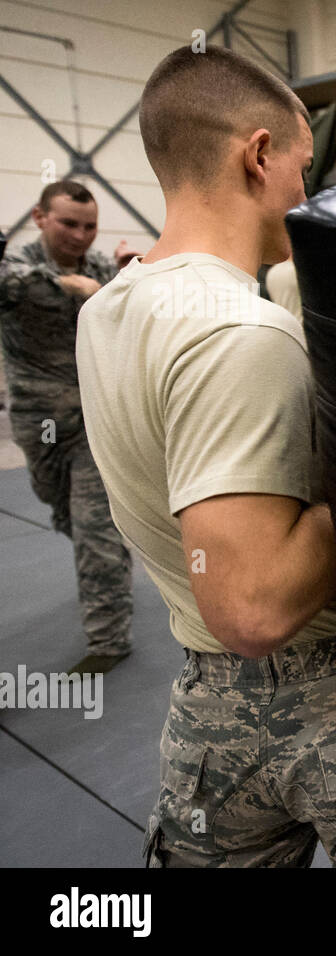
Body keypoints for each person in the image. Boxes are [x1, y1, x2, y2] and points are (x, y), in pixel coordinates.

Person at [75, 46, 336, 867]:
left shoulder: (110, 307)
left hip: (207, 711)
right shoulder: (243, 331)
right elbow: (254, 606)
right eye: (305, 166)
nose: (310, 192)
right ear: (259, 155)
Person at [0, 180, 136, 672]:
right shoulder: (16, 266)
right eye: (69, 224)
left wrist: (131, 274)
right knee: (62, 510)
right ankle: (94, 543)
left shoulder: (100, 266)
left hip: (93, 421)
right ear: (40, 217)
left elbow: (130, 305)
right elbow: (8, 285)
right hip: (39, 423)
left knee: (96, 527)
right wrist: (64, 283)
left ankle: (108, 639)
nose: (81, 236)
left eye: (90, 226)